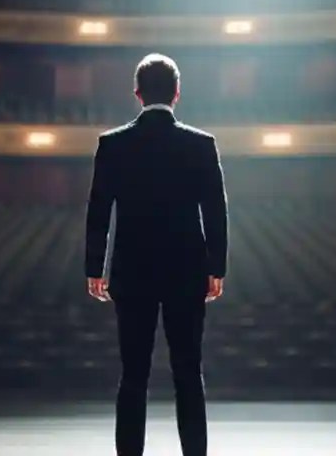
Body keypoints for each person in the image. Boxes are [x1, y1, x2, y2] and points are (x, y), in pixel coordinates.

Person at [85, 53, 229, 456]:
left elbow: (98, 210)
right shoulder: (202, 145)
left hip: (132, 272)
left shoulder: (112, 145)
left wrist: (95, 267)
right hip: (187, 271)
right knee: (188, 373)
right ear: (177, 94)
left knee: (133, 375)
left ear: (137, 94)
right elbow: (215, 210)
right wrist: (216, 266)